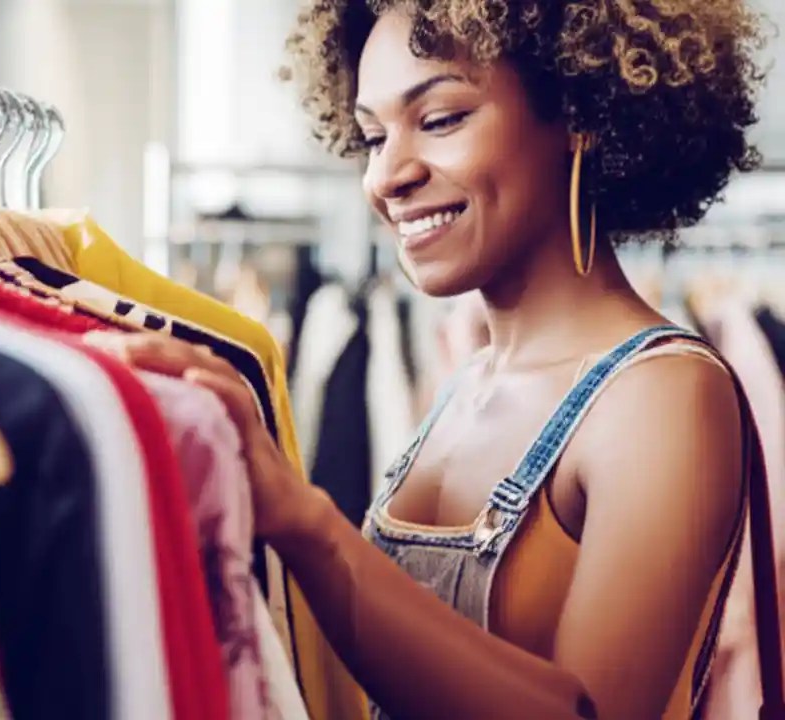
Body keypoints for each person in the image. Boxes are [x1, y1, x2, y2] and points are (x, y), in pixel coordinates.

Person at [86, 0, 773, 717]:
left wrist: (304, 520)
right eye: (373, 136)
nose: (388, 176)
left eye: (440, 120)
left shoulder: (663, 394)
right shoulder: (469, 379)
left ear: (581, 112)